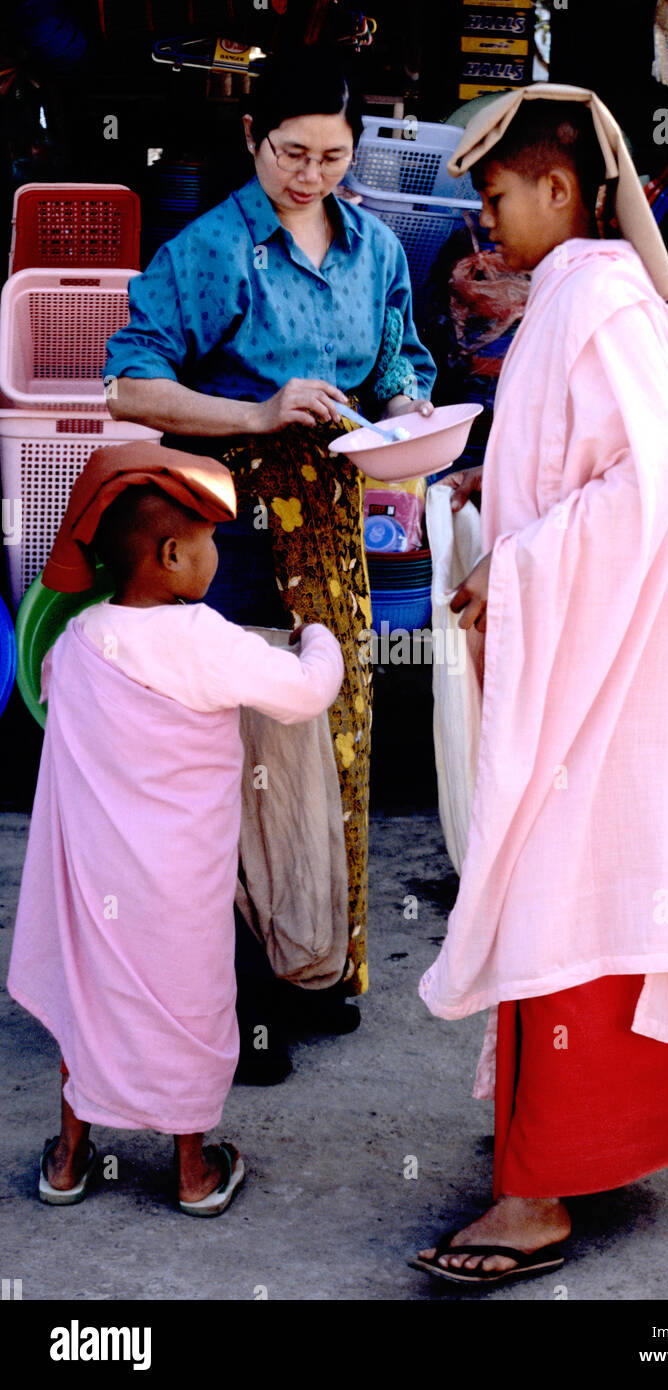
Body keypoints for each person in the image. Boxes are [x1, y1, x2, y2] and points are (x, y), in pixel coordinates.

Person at [411, 85, 668, 1285]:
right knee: (565, 879)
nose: (485, 226)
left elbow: (655, 474)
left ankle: (536, 1195)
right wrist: (485, 493)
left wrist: (523, 558)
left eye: (496, 199)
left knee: (555, 881)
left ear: (558, 189)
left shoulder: (598, 297)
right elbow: (574, 458)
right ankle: (556, 1152)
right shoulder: (571, 296)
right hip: (584, 653)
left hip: (601, 670)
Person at [103, 44, 437, 1053]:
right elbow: (128, 386)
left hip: (330, 528)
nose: (310, 177)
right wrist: (255, 412)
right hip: (226, 531)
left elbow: (398, 367)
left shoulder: (374, 250)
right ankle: (235, 993)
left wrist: (410, 421)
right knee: (240, 758)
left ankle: (313, 968)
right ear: (254, 137)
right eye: (292, 153)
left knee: (327, 744)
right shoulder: (207, 249)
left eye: (332, 159)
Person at [7, 442, 343, 1214]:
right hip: (180, 885)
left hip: (96, 877)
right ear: (168, 554)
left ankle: (68, 1159)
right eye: (207, 544)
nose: (215, 560)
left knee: (89, 998)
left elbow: (47, 689)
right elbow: (303, 694)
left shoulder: (80, 642)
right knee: (190, 1002)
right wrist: (317, 635)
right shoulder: (205, 639)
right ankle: (192, 1172)